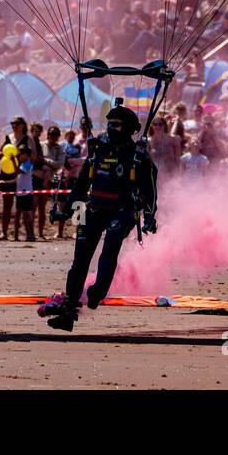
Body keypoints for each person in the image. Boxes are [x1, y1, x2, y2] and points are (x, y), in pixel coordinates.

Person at [42, 101, 157, 331]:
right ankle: (68, 310)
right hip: (92, 207)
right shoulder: (97, 152)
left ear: (130, 128)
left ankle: (97, 292)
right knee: (80, 259)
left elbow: (150, 188)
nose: (112, 129)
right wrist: (66, 210)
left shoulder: (138, 156)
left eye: (117, 125)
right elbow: (81, 185)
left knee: (109, 249)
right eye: (110, 124)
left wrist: (150, 216)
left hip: (123, 210)